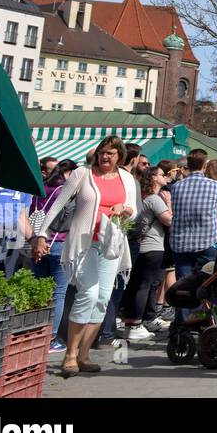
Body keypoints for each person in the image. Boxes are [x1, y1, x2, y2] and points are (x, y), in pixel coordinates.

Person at [31, 134, 139, 377]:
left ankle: (84, 354)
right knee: (87, 294)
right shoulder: (83, 174)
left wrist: (125, 209)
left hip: (110, 244)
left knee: (102, 298)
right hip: (83, 244)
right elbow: (57, 203)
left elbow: (133, 211)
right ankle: (70, 354)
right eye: (102, 152)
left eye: (110, 153)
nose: (105, 156)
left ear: (119, 156)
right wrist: (42, 234)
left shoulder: (127, 178)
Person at [167, 149, 217, 326]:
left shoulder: (176, 187)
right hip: (206, 241)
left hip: (180, 243)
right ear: (204, 165)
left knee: (183, 286)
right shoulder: (214, 186)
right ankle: (210, 320)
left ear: (187, 166)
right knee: (213, 283)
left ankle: (183, 324)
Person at [119, 164, 172, 341]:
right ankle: (135, 324)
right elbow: (168, 220)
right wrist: (169, 203)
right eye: (162, 174)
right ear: (154, 178)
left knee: (138, 285)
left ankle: (132, 323)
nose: (165, 177)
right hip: (153, 246)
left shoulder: (143, 197)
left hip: (143, 245)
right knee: (144, 286)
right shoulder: (155, 199)